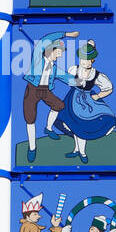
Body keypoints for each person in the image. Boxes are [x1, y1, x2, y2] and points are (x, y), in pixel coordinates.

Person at [55, 40, 116, 162]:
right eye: (82, 59)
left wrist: (97, 96)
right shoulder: (74, 70)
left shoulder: (96, 75)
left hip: (87, 102)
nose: (84, 62)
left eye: (87, 60)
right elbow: (67, 80)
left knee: (81, 126)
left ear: (92, 60)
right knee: (74, 125)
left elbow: (108, 88)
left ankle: (82, 153)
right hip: (72, 100)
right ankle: (77, 150)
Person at [22, 30, 79, 163]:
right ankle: (32, 147)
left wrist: (84, 82)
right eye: (59, 52)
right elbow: (45, 40)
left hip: (45, 90)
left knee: (59, 105)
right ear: (50, 50)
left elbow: (67, 78)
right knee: (30, 118)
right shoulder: (38, 58)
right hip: (32, 88)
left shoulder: (53, 68)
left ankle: (48, 128)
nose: (60, 55)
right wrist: (67, 34)